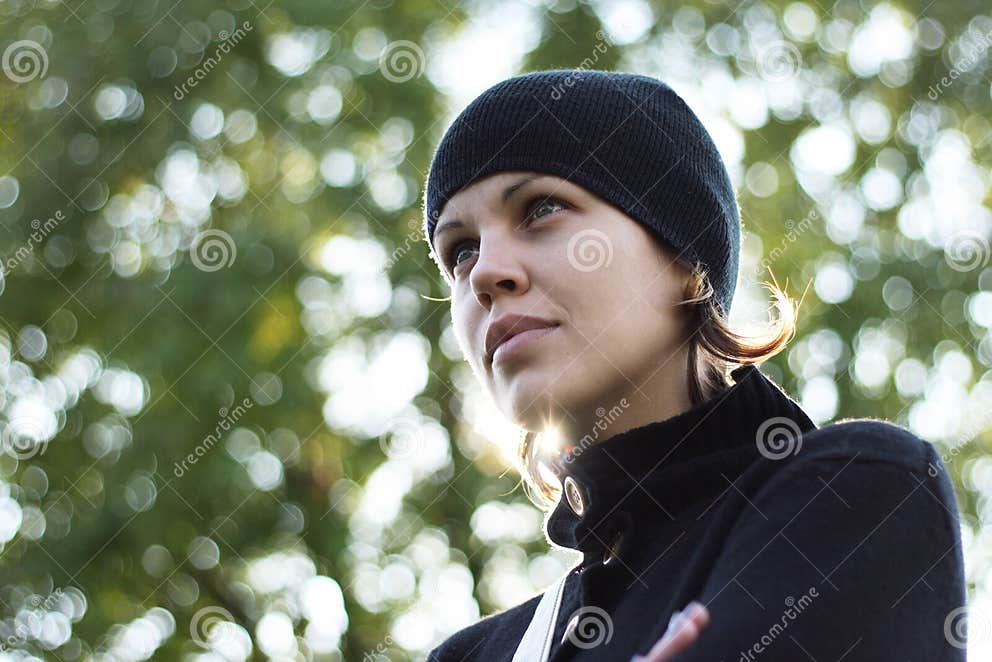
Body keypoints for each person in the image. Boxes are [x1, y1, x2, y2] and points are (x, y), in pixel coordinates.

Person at [420, 69, 967, 661]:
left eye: (542, 208)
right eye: (460, 251)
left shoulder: (853, 496)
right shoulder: (470, 654)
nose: (484, 273)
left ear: (685, 257)